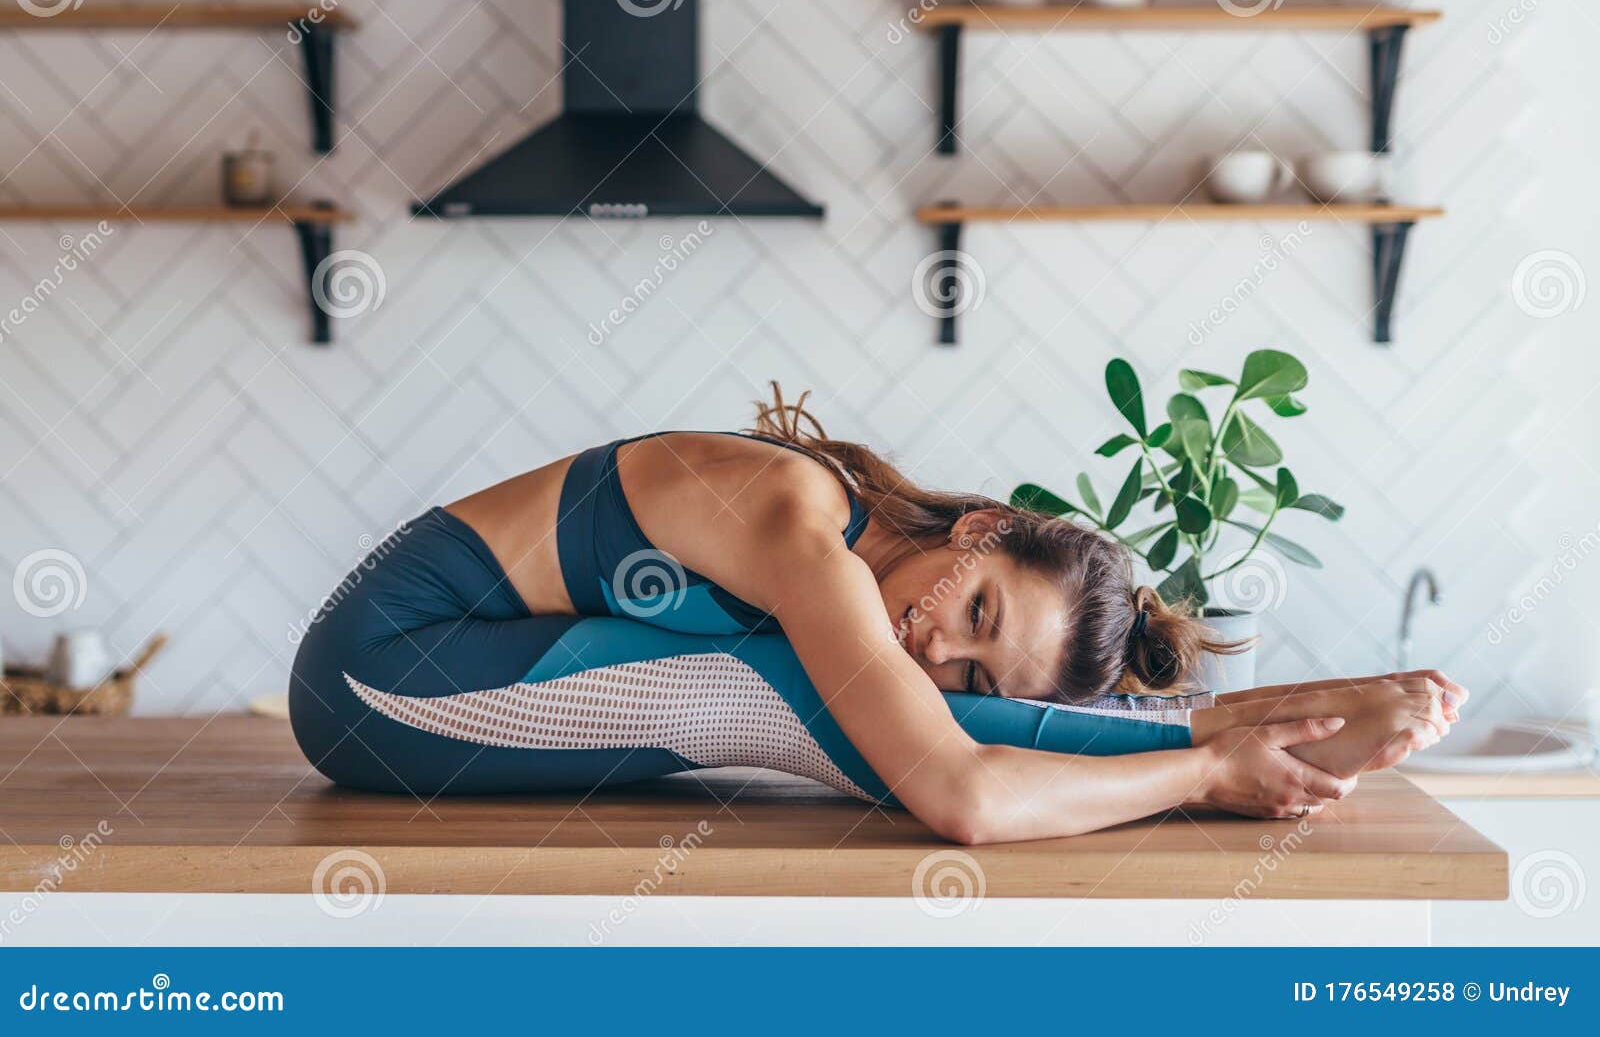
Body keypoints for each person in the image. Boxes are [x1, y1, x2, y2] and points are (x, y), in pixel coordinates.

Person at [290, 385, 1462, 843]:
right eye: (982, 607)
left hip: (473, 671)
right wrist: (1200, 780)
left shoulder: (852, 568)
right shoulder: (804, 527)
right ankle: (1226, 737)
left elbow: (961, 750)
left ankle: (1242, 722)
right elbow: (962, 797)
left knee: (871, 720)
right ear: (977, 528)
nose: (938, 650)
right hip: (383, 677)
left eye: (979, 671)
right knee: (777, 702)